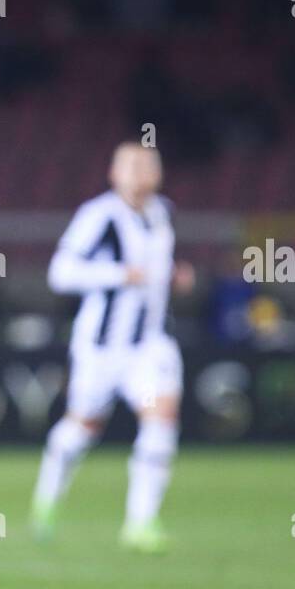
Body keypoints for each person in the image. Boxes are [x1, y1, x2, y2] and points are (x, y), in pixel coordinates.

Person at [31, 143, 194, 552]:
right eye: (133, 165)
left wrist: (175, 277)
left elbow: (159, 271)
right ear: (114, 173)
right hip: (101, 348)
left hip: (150, 344)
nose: (142, 172)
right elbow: (61, 273)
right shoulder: (99, 216)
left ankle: (140, 523)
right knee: (82, 428)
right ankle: (46, 499)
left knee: (161, 419)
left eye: (149, 164)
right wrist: (121, 274)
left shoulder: (163, 213)